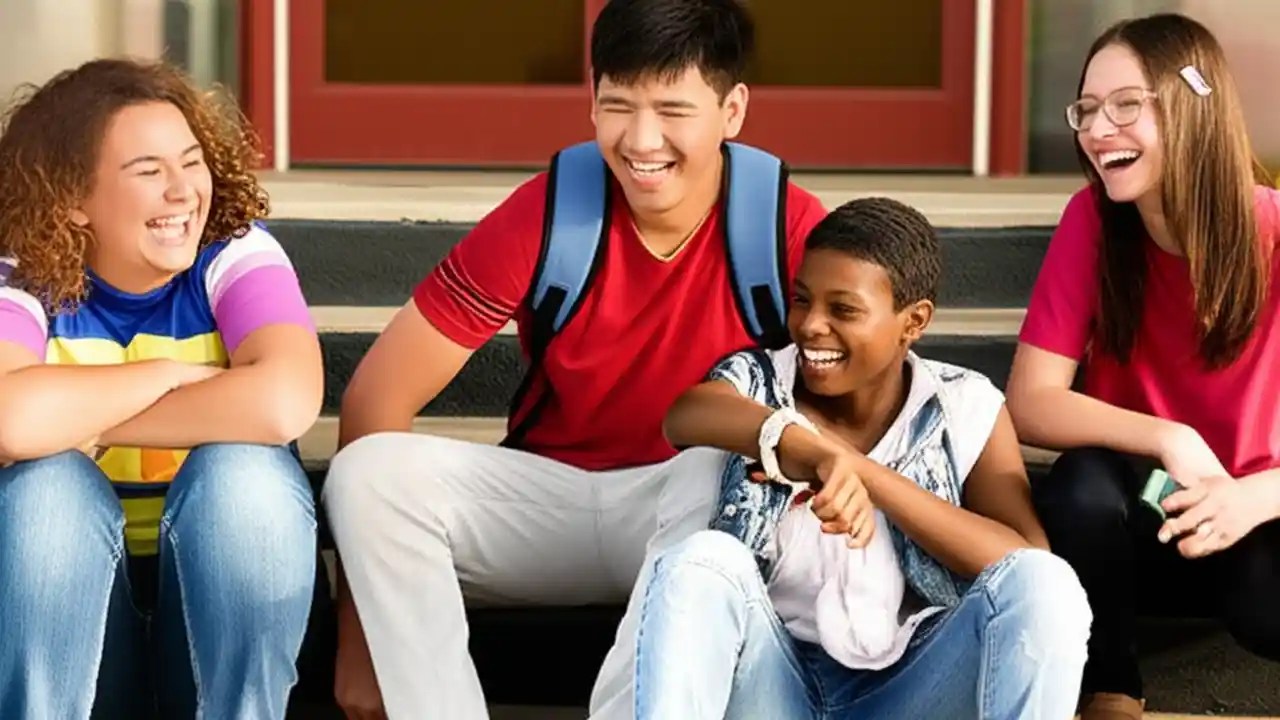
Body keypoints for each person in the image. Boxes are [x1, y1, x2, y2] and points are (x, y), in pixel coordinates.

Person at [320, 0, 828, 716]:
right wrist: (359, 638)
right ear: (591, 103)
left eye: (672, 109)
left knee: (713, 467)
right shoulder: (552, 211)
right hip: (546, 503)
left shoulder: (791, 228)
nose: (641, 139)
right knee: (368, 472)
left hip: (690, 523)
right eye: (617, 105)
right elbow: (378, 396)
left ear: (733, 110)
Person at [632, 197, 1092, 719]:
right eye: (802, 300)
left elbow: (1024, 560)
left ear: (913, 321)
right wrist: (812, 451)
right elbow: (687, 415)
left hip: (914, 689)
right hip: (772, 685)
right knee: (699, 561)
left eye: (843, 310)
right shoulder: (760, 382)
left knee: (1047, 585)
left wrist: (866, 475)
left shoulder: (961, 404)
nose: (810, 326)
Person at [0, 59, 323, 719]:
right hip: (75, 621)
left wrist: (80, 418)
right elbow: (9, 419)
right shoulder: (24, 272)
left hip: (218, 606)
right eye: (148, 172)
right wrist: (170, 375)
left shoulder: (233, 254)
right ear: (71, 198)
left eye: (191, 162)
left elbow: (284, 400)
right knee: (47, 489)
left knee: (247, 474)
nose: (183, 192)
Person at [1006, 13, 1280, 720]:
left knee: (1264, 607)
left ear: (1193, 102)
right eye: (1088, 110)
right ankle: (1113, 685)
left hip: (1250, 510)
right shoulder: (1092, 223)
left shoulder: (1275, 233)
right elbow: (1032, 400)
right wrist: (1168, 437)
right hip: (1138, 509)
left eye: (1127, 105)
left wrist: (1256, 498)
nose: (1099, 131)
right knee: (1079, 490)